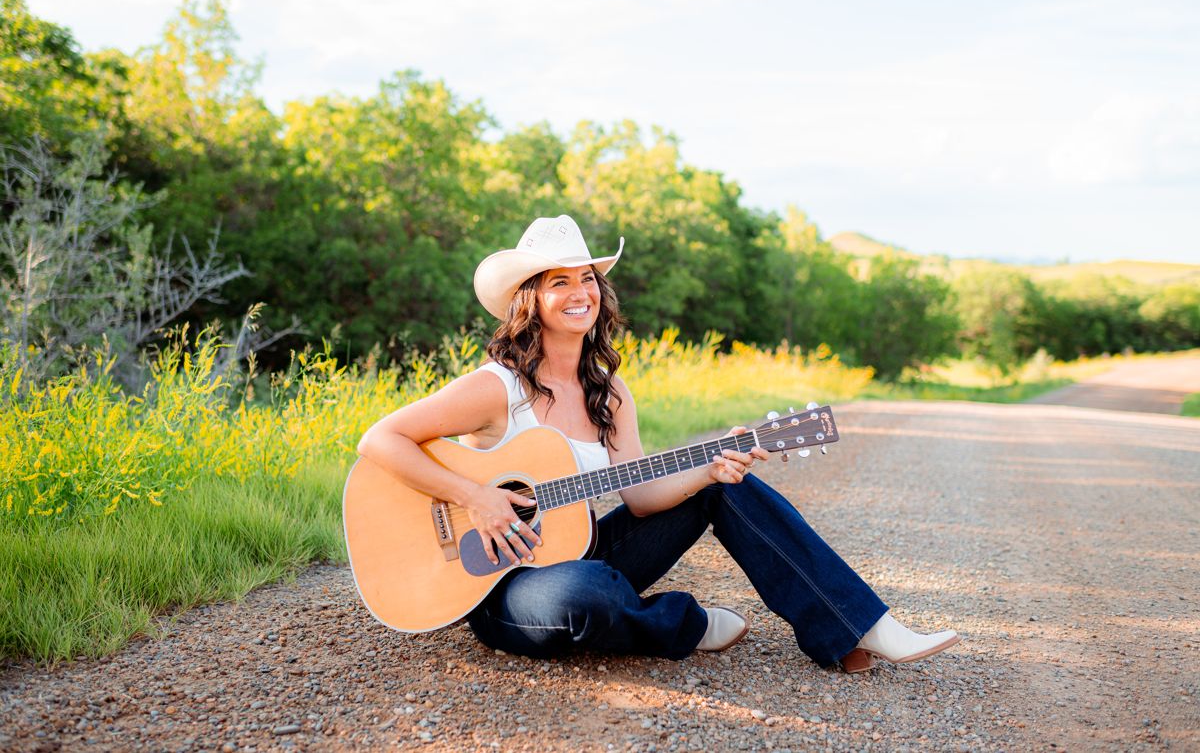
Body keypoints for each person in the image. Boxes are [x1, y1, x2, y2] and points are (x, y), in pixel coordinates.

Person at [357, 215, 959, 671]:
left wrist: (710, 468)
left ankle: (854, 623)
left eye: (587, 279)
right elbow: (380, 440)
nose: (579, 292)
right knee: (582, 594)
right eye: (558, 282)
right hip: (503, 584)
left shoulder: (608, 392)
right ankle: (683, 623)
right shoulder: (497, 387)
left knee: (726, 485)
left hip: (583, 549)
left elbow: (642, 499)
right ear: (529, 299)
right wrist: (476, 495)